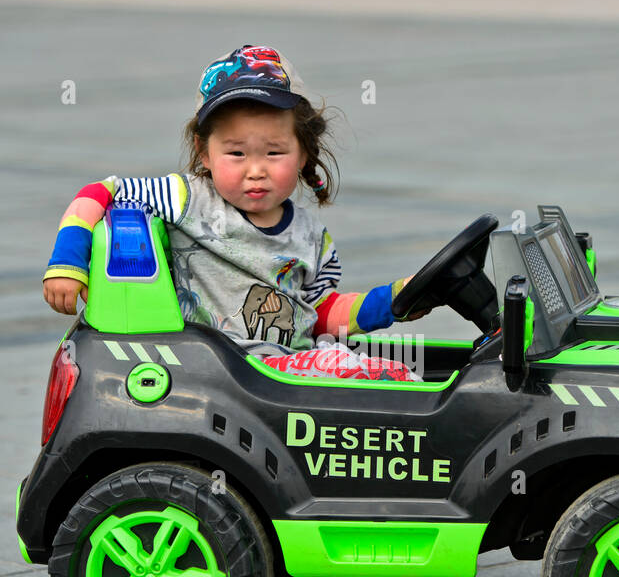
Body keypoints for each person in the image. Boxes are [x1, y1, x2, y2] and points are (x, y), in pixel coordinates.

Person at [41, 44, 427, 381]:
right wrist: (67, 261)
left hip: (288, 379)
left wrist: (392, 300)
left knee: (399, 369)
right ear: (205, 152)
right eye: (236, 153)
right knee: (391, 379)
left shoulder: (312, 237)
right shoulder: (187, 198)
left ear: (304, 152)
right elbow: (100, 191)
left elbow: (320, 314)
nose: (255, 169)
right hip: (218, 373)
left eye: (274, 153)